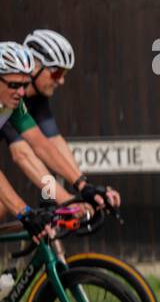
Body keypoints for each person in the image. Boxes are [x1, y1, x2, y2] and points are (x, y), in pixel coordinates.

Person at [0, 43, 66, 302]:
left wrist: (83, 186)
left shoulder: (12, 104)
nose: (21, 91)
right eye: (13, 84)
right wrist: (25, 211)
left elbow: (41, 145)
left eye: (24, 84)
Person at [1, 29, 121, 213]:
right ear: (35, 67)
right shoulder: (8, 97)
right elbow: (24, 156)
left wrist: (84, 187)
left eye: (65, 73)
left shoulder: (24, 101)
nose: (62, 81)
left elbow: (47, 145)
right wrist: (66, 200)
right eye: (57, 73)